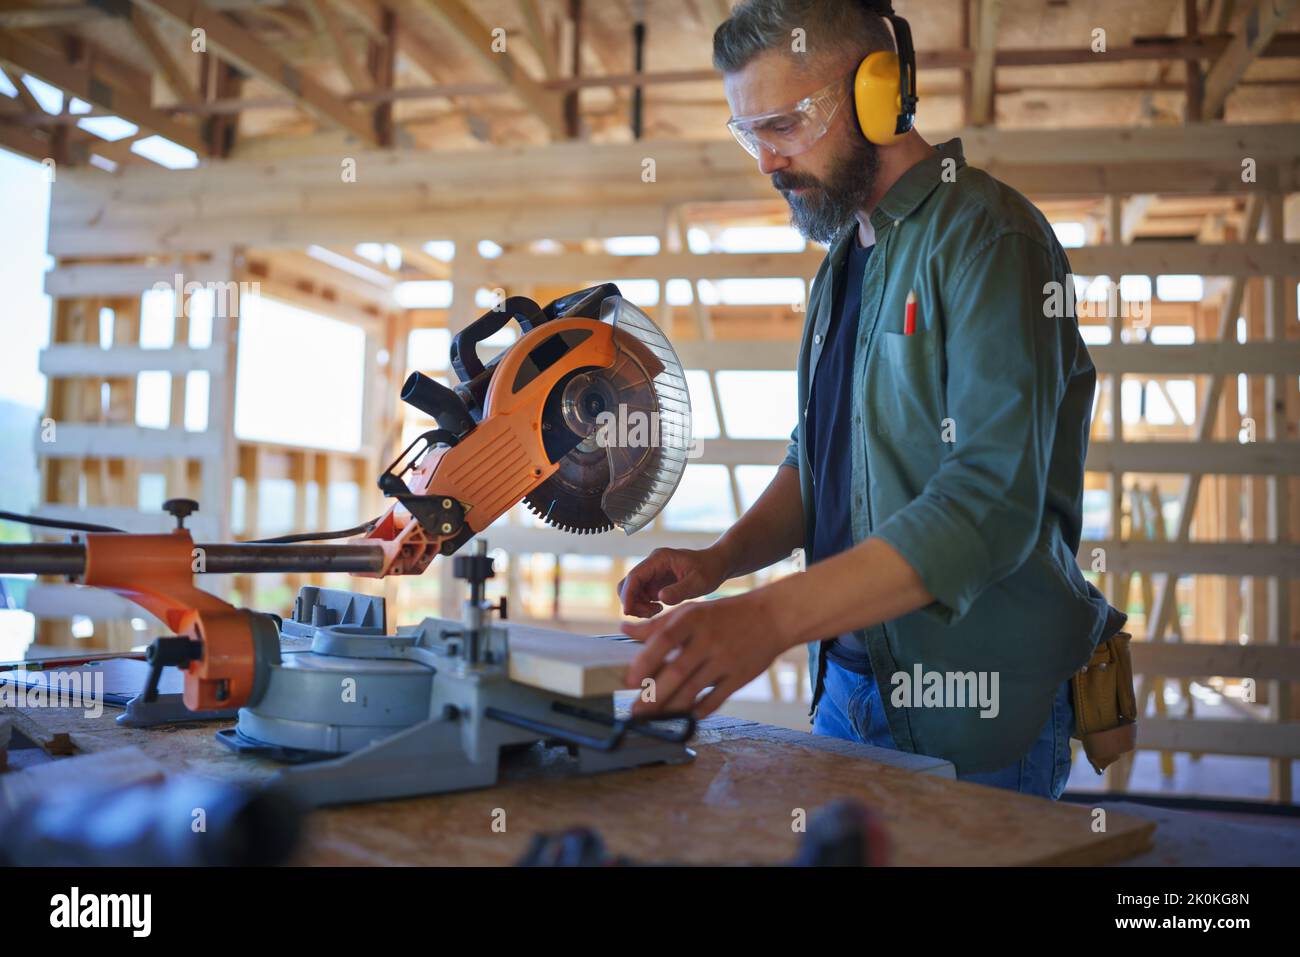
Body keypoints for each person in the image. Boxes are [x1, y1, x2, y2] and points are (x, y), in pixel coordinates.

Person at [615, 0, 1124, 799]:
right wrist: (722, 562)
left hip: (974, 711)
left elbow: (990, 502)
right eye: (750, 133)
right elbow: (817, 461)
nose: (767, 162)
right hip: (848, 688)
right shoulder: (841, 267)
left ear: (878, 95)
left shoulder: (989, 237)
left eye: (783, 124)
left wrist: (769, 617)